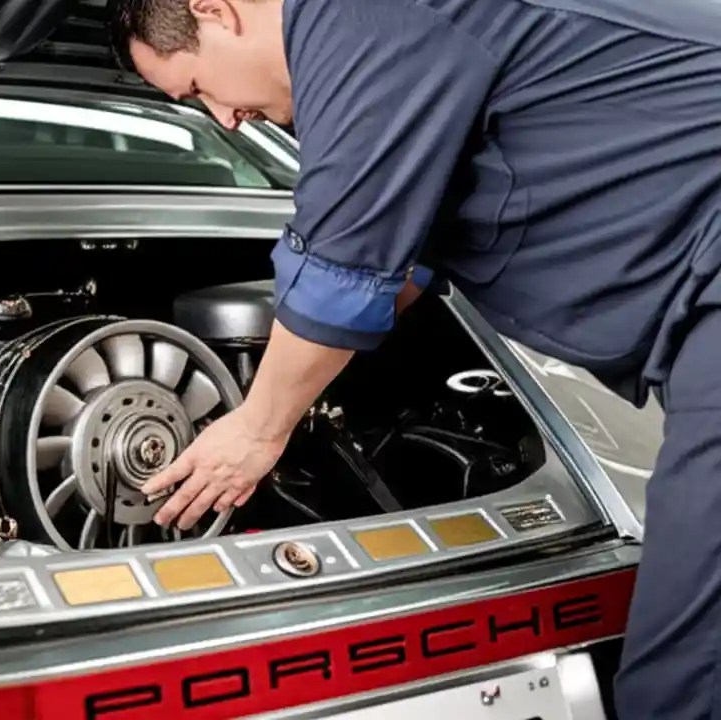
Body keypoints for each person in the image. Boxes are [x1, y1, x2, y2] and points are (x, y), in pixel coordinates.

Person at [109, 0, 721, 717]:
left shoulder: (360, 18)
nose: (224, 118)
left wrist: (257, 428)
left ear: (214, 9)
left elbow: (345, 259)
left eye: (197, 89)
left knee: (685, 675)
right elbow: (400, 259)